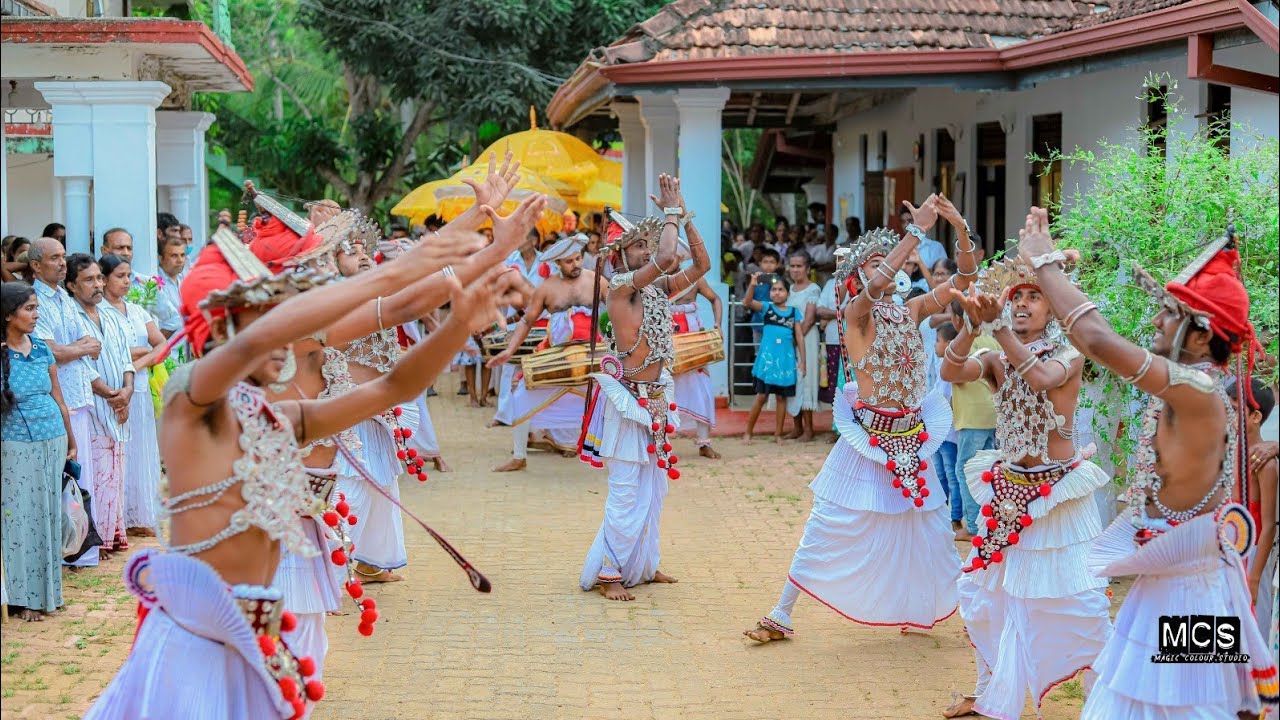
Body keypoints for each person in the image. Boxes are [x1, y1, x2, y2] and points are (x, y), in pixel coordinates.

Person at [82, 187, 513, 720]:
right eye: (274, 324)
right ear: (227, 328)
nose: (289, 343)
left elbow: (393, 389)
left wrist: (459, 326)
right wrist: (403, 268)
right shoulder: (190, 400)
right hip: (194, 653)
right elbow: (258, 341)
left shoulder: (276, 420)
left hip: (256, 646)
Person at [1013, 208, 1277, 720]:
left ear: (1201, 336)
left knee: (1187, 708)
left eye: (1170, 314)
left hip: (1192, 595)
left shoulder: (1199, 391)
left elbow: (1096, 340)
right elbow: (1095, 335)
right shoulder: (1192, 384)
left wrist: (1045, 264)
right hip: (1173, 587)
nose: (1156, 320)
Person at [743, 193, 979, 643]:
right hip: (867, 441)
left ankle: (965, 616)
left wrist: (960, 226)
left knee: (931, 533)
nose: (883, 267)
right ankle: (781, 613)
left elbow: (965, 282)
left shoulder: (910, 310)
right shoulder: (857, 316)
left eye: (882, 261)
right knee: (826, 526)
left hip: (913, 439)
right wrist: (916, 233)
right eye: (871, 262)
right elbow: (874, 287)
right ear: (856, 277)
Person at [939, 255, 1112, 719]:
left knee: (1081, 605)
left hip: (1058, 495)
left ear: (1053, 308)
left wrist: (999, 332)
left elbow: (1040, 378)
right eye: (1016, 296)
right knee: (982, 594)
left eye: (1034, 296)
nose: (1022, 304)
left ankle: (1107, 703)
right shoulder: (996, 354)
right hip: (1009, 492)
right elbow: (950, 373)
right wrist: (971, 328)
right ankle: (985, 693)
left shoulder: (1068, 353)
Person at [578, 173, 710, 601]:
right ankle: (609, 574)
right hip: (627, 402)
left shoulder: (655, 289)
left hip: (656, 399)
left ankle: (645, 565)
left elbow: (702, 265)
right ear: (618, 255)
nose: (649, 251)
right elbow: (670, 257)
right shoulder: (620, 288)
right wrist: (669, 213)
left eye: (649, 245)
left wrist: (685, 214)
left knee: (654, 491)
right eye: (639, 246)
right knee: (626, 491)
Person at [489, 233, 604, 472]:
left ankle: (611, 454)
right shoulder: (546, 289)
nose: (576, 265)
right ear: (557, 264)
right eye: (569, 261)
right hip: (556, 355)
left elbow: (618, 309)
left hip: (592, 355)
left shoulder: (596, 281)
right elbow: (526, 322)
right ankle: (519, 456)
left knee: (611, 401)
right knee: (520, 395)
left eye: (577, 259)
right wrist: (509, 351)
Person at [1, 282, 74, 621]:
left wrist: (71, 441)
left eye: (35, 308)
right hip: (16, 445)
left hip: (53, 440)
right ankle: (23, 599)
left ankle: (49, 595)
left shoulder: (42, 348)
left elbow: (59, 399)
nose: (35, 314)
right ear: (7, 315)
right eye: (29, 309)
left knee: (48, 517)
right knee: (21, 521)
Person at [28, 237, 102, 569]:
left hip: (80, 396)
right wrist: (81, 347)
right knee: (63, 478)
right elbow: (52, 352)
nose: (62, 263)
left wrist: (79, 347)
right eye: (54, 258)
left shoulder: (65, 299)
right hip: (58, 401)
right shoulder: (34, 302)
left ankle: (80, 548)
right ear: (34, 265)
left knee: (81, 478)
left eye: (63, 257)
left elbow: (88, 340)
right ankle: (61, 551)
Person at [66, 254, 136, 556]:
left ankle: (111, 535)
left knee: (116, 473)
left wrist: (127, 391)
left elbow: (126, 359)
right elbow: (82, 366)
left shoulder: (110, 315)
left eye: (99, 278)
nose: (97, 285)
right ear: (71, 285)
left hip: (118, 404)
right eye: (89, 280)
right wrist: (111, 394)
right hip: (93, 406)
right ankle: (96, 542)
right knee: (97, 474)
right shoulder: (72, 318)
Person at [99, 254, 166, 537]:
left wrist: (137, 361)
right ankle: (117, 517)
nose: (127, 281)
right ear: (103, 279)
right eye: (120, 276)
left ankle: (142, 514)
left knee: (143, 450)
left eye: (128, 276)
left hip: (138, 389)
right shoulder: (98, 312)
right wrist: (137, 352)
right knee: (118, 452)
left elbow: (162, 344)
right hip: (113, 389)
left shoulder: (138, 311)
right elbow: (104, 351)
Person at [1230, 377, 1276, 639]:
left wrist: (1256, 576)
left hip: (1253, 553)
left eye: (1235, 411)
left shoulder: (1265, 463)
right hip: (1230, 548)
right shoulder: (1231, 451)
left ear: (1256, 416)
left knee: (1252, 628)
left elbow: (1268, 525)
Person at [949, 298, 999, 538]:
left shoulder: (962, 344)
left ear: (958, 319)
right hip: (991, 414)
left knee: (966, 470)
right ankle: (990, 522)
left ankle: (974, 526)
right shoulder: (991, 339)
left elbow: (954, 376)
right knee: (988, 470)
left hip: (972, 417)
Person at [742, 273, 803, 445]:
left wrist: (803, 361)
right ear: (770, 293)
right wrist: (753, 284)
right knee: (761, 396)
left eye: (781, 290)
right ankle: (748, 432)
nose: (777, 293)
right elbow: (747, 302)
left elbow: (799, 337)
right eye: (774, 290)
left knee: (781, 399)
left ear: (788, 293)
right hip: (767, 363)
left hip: (785, 362)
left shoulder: (794, 313)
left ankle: (778, 434)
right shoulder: (766, 308)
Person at [669, 274, 722, 459]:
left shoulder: (695, 278)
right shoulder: (655, 279)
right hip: (668, 343)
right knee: (663, 393)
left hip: (695, 345)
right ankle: (661, 446)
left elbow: (715, 299)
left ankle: (704, 443)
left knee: (703, 391)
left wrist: (717, 325)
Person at [785, 251, 820, 441]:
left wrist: (794, 340)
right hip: (791, 341)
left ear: (807, 268)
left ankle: (809, 429)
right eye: (792, 266)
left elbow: (809, 319)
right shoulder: (789, 289)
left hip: (806, 340)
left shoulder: (813, 289)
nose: (795, 269)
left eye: (799, 266)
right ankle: (796, 427)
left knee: (806, 380)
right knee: (792, 379)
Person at [932, 322, 964, 529]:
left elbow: (950, 400)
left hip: (950, 433)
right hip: (938, 433)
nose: (935, 345)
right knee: (939, 474)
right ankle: (941, 513)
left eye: (938, 341)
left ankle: (954, 517)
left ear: (950, 343)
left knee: (952, 475)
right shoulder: (941, 365)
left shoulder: (953, 370)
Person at [155, 235, 187, 338]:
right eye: (174, 255)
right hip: (168, 351)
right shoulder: (155, 284)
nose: (180, 260)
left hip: (186, 350)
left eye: (182, 255)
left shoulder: (184, 280)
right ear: (161, 258)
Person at [897, 205, 946, 270]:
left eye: (910, 221)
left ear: (920, 221)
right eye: (903, 222)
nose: (906, 225)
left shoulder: (935, 247)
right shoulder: (897, 247)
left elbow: (943, 274)